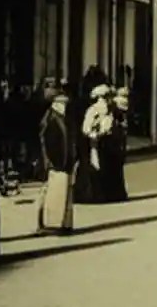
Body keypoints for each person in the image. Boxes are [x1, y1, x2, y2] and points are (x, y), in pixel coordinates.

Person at [37, 90, 75, 234]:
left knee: (63, 193)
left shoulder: (63, 118)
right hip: (55, 163)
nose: (63, 106)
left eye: (65, 104)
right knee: (54, 193)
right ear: (54, 104)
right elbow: (46, 143)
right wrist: (51, 161)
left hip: (64, 162)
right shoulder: (50, 120)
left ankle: (63, 223)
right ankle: (51, 224)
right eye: (61, 103)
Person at [74, 84, 114, 203]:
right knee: (94, 168)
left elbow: (86, 128)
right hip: (95, 142)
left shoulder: (96, 110)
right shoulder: (98, 110)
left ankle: (94, 193)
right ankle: (93, 194)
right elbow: (87, 127)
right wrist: (96, 133)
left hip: (97, 142)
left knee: (96, 167)